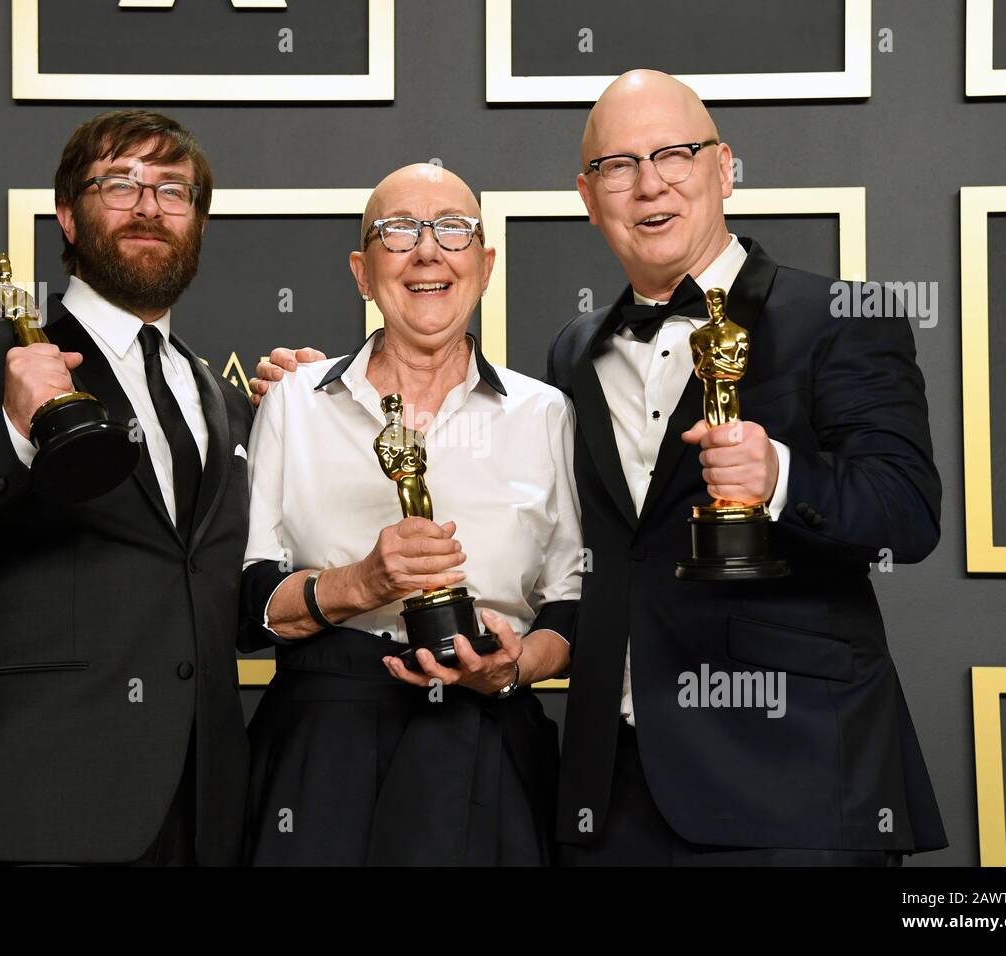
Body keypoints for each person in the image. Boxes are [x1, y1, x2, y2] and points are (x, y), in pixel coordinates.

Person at [250, 71, 947, 866]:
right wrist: (319, 390)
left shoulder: (839, 319)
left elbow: (907, 513)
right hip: (607, 791)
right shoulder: (573, 356)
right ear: (589, 197)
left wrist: (780, 476)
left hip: (794, 775)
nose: (649, 184)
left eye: (675, 155)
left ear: (723, 168)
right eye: (618, 166)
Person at [0, 109, 255, 865]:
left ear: (198, 224)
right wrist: (10, 431)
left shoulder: (225, 400)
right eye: (121, 184)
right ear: (68, 216)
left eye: (173, 190)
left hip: (203, 816)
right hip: (31, 808)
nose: (149, 206)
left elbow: (211, 595)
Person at [239, 163, 581, 865]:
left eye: (453, 230)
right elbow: (251, 604)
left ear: (484, 266)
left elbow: (573, 609)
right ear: (363, 272)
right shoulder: (293, 401)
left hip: (486, 734)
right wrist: (360, 583)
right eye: (399, 232)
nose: (428, 249)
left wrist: (513, 669)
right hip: (320, 745)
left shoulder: (545, 414)